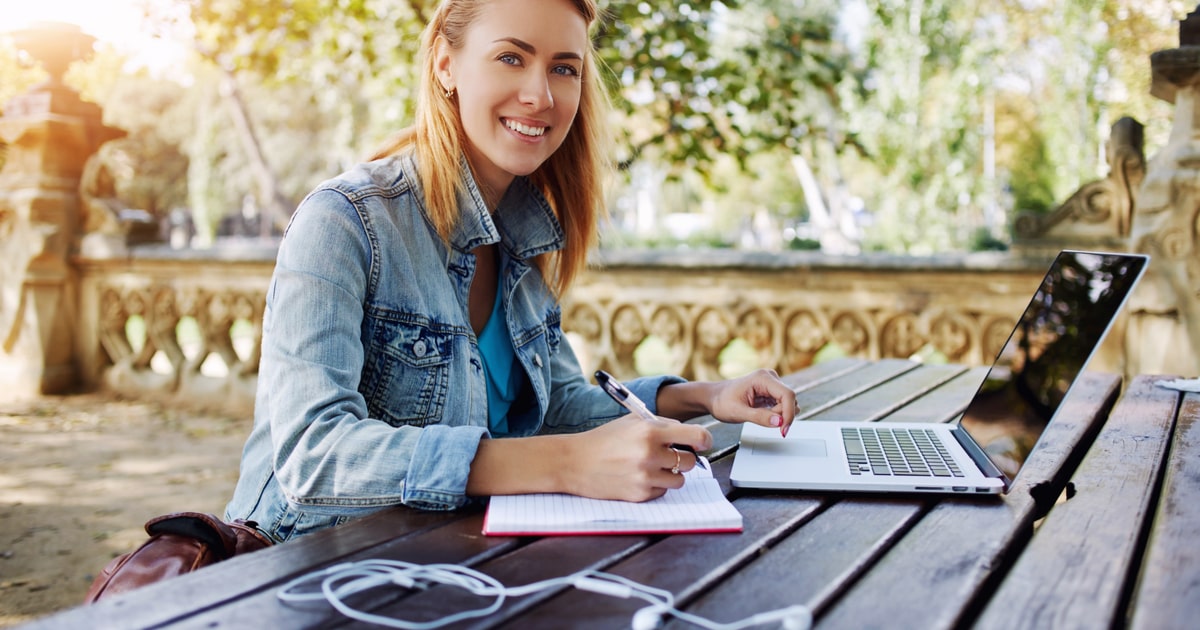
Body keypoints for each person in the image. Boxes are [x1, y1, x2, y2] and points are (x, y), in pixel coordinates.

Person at [224, 0, 798, 543]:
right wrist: (567, 465)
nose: (540, 95)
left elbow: (559, 406)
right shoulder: (345, 222)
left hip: (453, 566)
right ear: (446, 66)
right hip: (309, 570)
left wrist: (707, 396)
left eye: (564, 68)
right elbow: (314, 457)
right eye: (511, 57)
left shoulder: (525, 233)